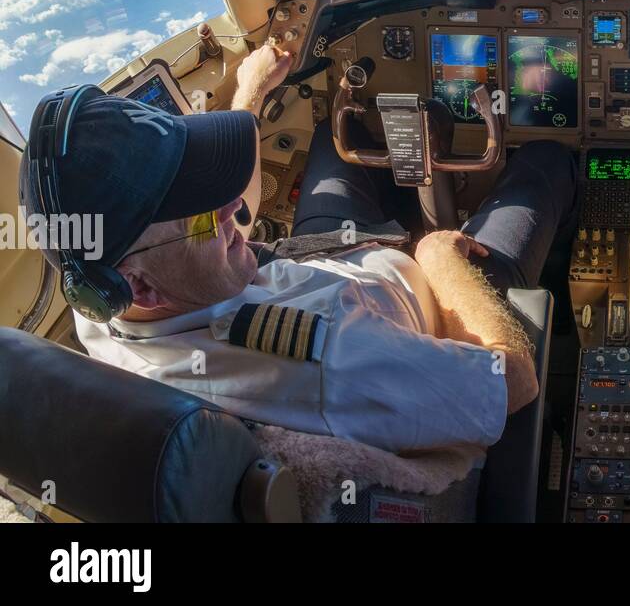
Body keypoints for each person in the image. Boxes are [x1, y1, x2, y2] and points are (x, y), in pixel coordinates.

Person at [19, 42, 577, 455]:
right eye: (204, 217)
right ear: (140, 284)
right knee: (545, 162)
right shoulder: (332, 359)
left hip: (321, 261)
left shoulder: (99, 294)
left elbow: (209, 218)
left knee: (334, 145)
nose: (233, 210)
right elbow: (511, 385)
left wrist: (250, 91)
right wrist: (438, 257)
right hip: (427, 296)